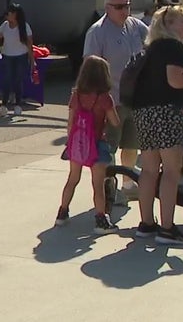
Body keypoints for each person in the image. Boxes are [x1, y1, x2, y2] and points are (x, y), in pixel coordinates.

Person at [130, 5, 183, 246]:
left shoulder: (151, 48)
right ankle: (166, 227)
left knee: (150, 170)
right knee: (172, 171)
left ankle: (146, 223)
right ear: (170, 25)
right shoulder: (172, 47)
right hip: (166, 112)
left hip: (144, 112)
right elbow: (175, 81)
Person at [83, 0, 149, 202]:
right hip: (111, 102)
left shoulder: (135, 27)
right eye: (119, 6)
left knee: (131, 145)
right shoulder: (98, 32)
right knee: (108, 148)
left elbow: (154, 40)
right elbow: (90, 70)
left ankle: (127, 184)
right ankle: (108, 188)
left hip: (135, 99)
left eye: (127, 5)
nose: (124, 11)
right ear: (107, 7)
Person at [55, 55, 121, 234]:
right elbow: (115, 122)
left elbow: (70, 123)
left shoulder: (76, 95)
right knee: (97, 184)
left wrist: (72, 141)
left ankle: (62, 212)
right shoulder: (105, 98)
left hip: (78, 142)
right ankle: (100, 220)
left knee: (72, 179)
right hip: (98, 143)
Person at [0, 3, 34, 117]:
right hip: (7, 55)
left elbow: (29, 44)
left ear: (15, 14)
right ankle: (3, 105)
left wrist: (32, 59)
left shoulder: (24, 26)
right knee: (6, 80)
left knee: (18, 80)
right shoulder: (5, 25)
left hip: (21, 56)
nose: (7, 15)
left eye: (9, 13)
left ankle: (18, 104)